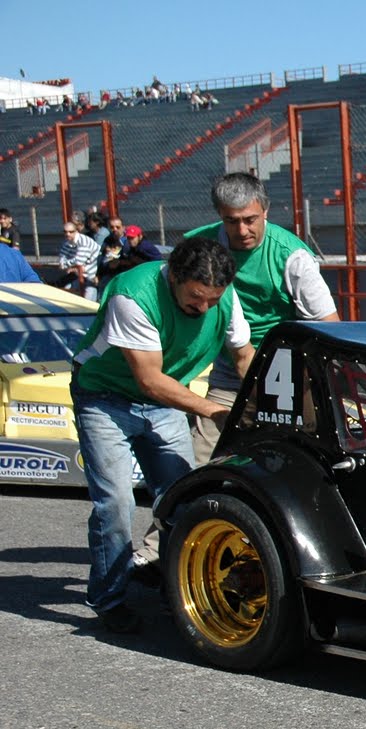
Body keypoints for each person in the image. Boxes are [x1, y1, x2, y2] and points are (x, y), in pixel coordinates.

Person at [69, 237, 253, 633]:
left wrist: (259, 403)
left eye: (212, 300)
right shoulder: (132, 296)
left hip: (164, 400)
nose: (203, 309)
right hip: (105, 399)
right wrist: (215, 410)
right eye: (195, 298)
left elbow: (243, 357)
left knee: (182, 499)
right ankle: (109, 599)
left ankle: (178, 589)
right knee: (115, 502)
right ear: (173, 275)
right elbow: (150, 381)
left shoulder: (226, 297)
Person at [184, 171, 338, 463]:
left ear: (265, 211)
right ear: (220, 215)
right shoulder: (198, 246)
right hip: (231, 370)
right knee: (201, 459)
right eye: (231, 221)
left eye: (250, 219)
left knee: (303, 460)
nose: (242, 230)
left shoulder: (292, 257)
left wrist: (308, 382)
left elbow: (329, 325)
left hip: (289, 373)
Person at [57, 219, 100, 297]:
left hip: (90, 276)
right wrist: (70, 265)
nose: (68, 234)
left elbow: (79, 261)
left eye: (71, 232)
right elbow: (61, 261)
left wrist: (68, 265)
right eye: (65, 232)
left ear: (76, 231)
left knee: (88, 301)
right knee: (66, 293)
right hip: (77, 275)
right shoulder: (66, 243)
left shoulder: (84, 241)